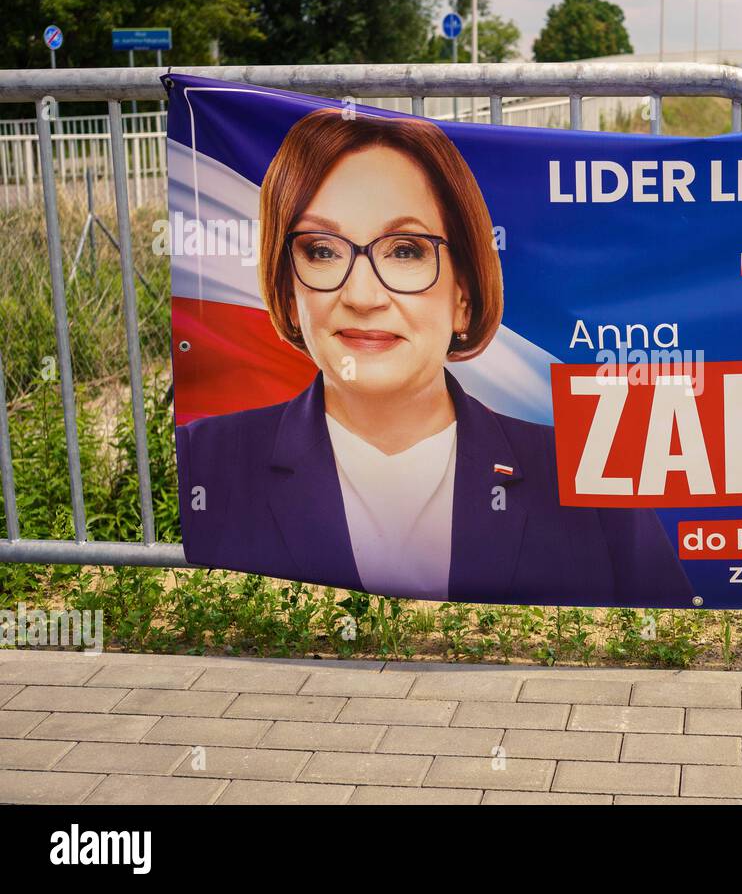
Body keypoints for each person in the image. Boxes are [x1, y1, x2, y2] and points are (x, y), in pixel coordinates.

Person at [177, 108, 694, 607]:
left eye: (405, 251)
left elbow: (666, 651)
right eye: (322, 249)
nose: (362, 295)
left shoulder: (587, 476)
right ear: (290, 292)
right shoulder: (205, 461)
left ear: (463, 299)